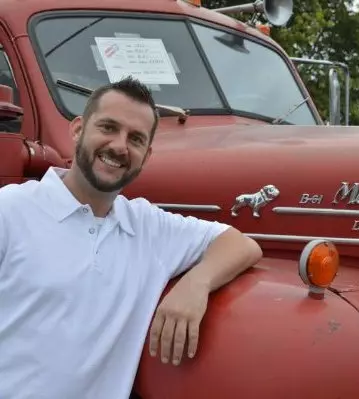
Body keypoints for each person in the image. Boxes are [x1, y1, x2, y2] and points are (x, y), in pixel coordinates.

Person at [0, 76, 262, 399]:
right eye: (108, 128)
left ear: (147, 155)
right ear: (78, 129)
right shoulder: (10, 210)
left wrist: (197, 284)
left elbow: (241, 243)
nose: (120, 146)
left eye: (135, 139)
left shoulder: (148, 226)